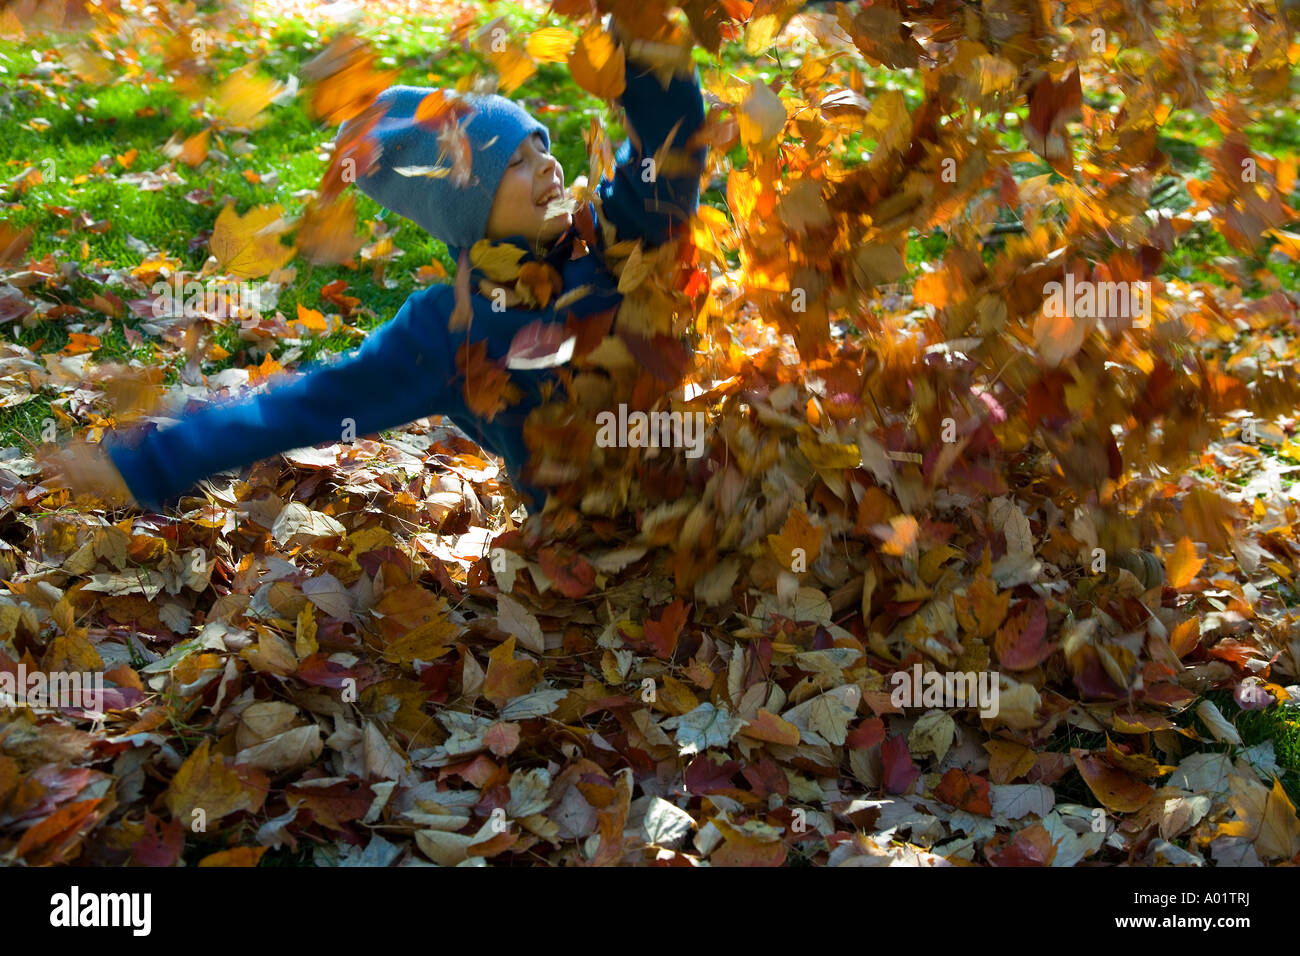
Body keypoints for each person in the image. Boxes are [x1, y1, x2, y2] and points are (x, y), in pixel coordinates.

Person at [49, 19, 707, 514]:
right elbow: (310, 405)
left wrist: (647, 33)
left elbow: (670, 150)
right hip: (590, 531)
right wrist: (150, 465)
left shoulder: (616, 235)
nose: (550, 166)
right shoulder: (448, 329)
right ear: (466, 206)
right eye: (516, 161)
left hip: (705, 480)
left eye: (543, 148)